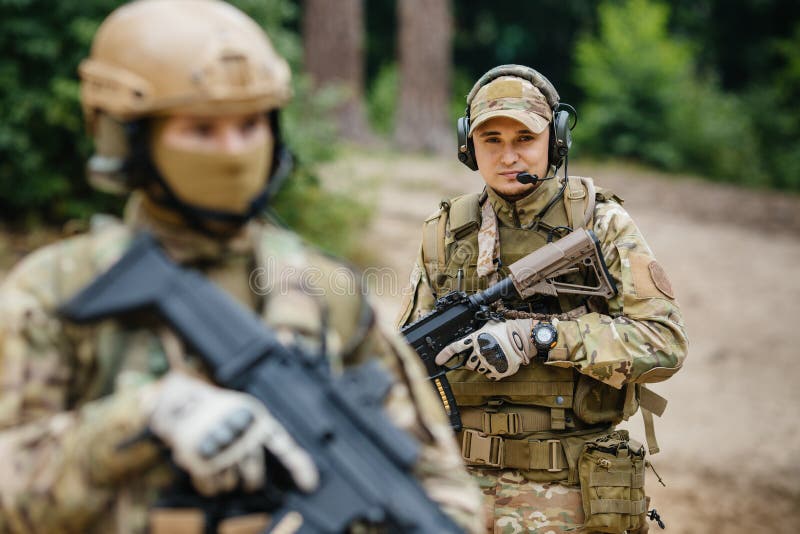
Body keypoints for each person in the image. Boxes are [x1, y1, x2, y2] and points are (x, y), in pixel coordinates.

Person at [0, 1, 483, 533]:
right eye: (202, 130)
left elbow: (439, 479)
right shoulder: (58, 291)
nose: (232, 151)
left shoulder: (326, 290)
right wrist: (146, 418)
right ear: (128, 137)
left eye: (249, 125)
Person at [396, 64, 688, 533]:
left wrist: (540, 337)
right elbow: (405, 361)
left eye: (524, 139)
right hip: (460, 495)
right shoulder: (445, 232)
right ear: (468, 148)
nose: (509, 156)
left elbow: (664, 343)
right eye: (491, 140)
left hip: (566, 493)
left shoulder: (600, 223)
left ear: (555, 141)